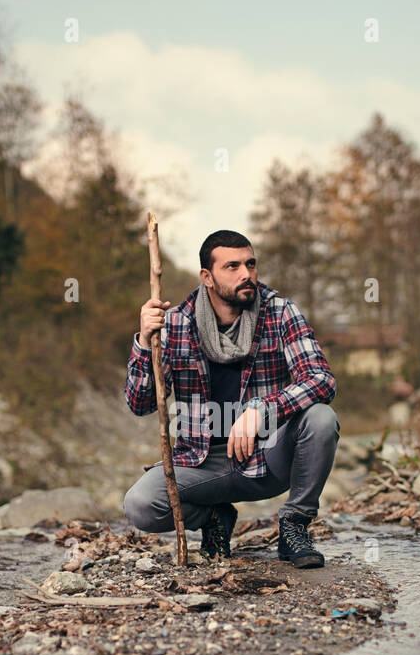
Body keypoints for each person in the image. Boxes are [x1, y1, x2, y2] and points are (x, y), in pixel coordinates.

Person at [123, 229, 339, 567]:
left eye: (251, 264)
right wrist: (143, 342)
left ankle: (295, 525)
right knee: (140, 504)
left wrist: (263, 410)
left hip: (269, 457)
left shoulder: (280, 313)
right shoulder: (176, 324)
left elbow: (321, 379)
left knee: (322, 418)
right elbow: (140, 403)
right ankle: (213, 519)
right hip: (201, 462)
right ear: (207, 277)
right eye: (233, 266)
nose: (246, 275)